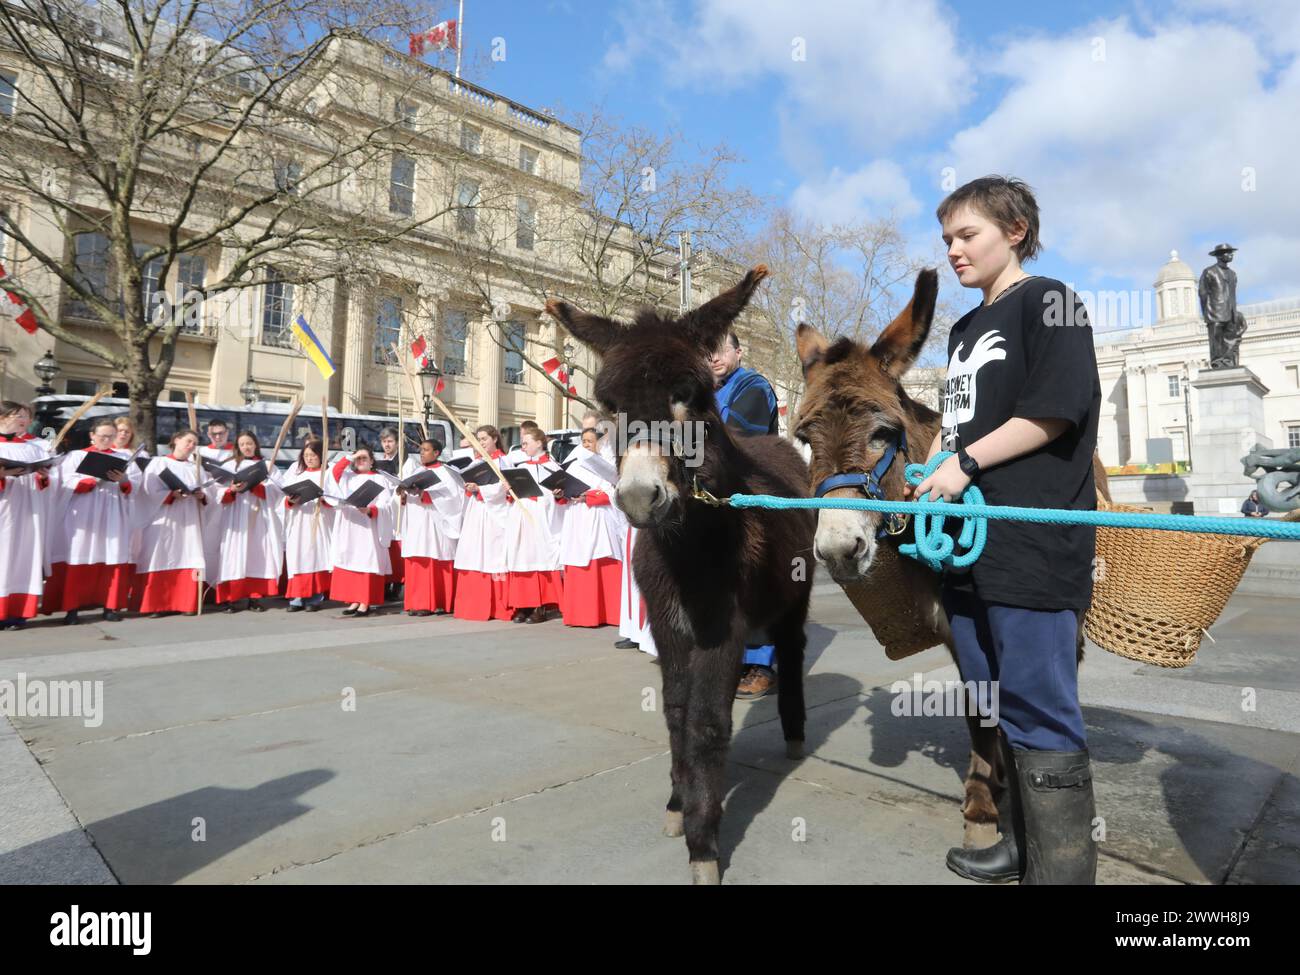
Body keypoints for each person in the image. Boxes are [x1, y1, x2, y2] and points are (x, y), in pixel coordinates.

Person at [919, 175, 1102, 886]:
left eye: (967, 235)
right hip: (967, 550)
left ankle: (1063, 872)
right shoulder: (964, 327)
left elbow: (1055, 412)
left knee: (1038, 706)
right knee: (990, 697)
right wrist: (941, 462)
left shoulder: (1050, 301)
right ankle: (1020, 848)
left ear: (1015, 229)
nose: (953, 251)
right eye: (947, 241)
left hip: (1031, 540)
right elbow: (967, 426)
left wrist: (962, 462)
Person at [710, 328, 781, 699]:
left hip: (753, 501)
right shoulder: (709, 392)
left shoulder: (753, 387)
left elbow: (734, 441)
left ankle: (760, 664)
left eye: (721, 349)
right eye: (707, 353)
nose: (714, 357)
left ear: (739, 351)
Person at [44, 417, 138, 623]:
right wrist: (90, 479)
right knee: (79, 557)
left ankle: (110, 607)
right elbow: (63, 482)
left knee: (111, 557)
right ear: (92, 436)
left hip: (113, 512)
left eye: (111, 436)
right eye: (102, 436)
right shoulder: (76, 456)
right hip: (83, 514)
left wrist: (123, 480)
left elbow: (136, 487)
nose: (106, 440)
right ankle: (72, 609)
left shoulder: (124, 457)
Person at [130, 429, 207, 616]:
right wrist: (170, 494)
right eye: (188, 441)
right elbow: (147, 490)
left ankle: (186, 603)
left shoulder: (196, 468)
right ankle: (158, 604)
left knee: (188, 555)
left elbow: (207, 491)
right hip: (163, 517)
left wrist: (201, 495)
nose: (191, 446)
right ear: (176, 439)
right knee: (161, 555)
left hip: (189, 519)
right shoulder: (159, 463)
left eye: (194, 444)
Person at [208, 429, 283, 612]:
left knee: (257, 555)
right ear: (237, 447)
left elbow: (279, 490)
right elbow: (216, 489)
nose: (246, 447)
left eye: (249, 443)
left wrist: (259, 488)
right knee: (234, 554)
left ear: (255, 444)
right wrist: (231, 490)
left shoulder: (268, 465)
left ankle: (254, 598)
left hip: (259, 516)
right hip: (236, 515)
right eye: (242, 444)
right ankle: (231, 598)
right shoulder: (230, 465)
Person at [559, 428, 626, 627]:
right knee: (578, 561)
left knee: (601, 560)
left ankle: (608, 614)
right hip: (577, 520)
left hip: (599, 519)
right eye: (584, 441)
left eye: (590, 441)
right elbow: (564, 492)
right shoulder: (573, 466)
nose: (587, 444)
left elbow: (614, 493)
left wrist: (588, 496)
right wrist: (559, 493)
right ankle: (580, 615)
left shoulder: (606, 466)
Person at [452, 425, 514, 621]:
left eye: (484, 438)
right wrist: (469, 486)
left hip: (494, 513)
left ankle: (498, 606)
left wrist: (481, 488)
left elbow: (505, 486)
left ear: (495, 438)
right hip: (476, 511)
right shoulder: (474, 462)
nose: (481, 443)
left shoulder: (504, 460)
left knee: (493, 554)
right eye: (478, 439)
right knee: (473, 552)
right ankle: (472, 605)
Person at [0, 401, 53, 629]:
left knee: (22, 558)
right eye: (16, 415)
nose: (22, 419)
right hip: (4, 507)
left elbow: (47, 482)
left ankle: (17, 613)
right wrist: (5, 474)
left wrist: (42, 475)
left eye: (24, 416)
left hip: (27, 509)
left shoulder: (35, 448)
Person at [504, 427, 564, 624]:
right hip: (521, 515)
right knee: (521, 557)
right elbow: (510, 495)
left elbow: (557, 493)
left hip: (541, 517)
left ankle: (542, 604)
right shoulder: (520, 467)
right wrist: (509, 489)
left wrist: (549, 495)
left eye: (526, 442)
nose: (523, 446)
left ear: (539, 443)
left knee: (539, 557)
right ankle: (523, 604)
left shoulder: (553, 467)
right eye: (522, 443)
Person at [399, 438, 464, 616]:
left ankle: (436, 603)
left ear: (436, 453)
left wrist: (430, 496)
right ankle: (416, 602)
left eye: (426, 450)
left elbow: (454, 498)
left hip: (436, 525)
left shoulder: (446, 472)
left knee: (434, 560)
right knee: (417, 559)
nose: (421, 453)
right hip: (417, 524)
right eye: (420, 449)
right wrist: (403, 495)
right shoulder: (417, 471)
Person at [328, 444, 393, 617]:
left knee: (366, 561)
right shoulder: (347, 476)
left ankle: (365, 602)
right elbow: (332, 476)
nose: (361, 461)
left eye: (365, 458)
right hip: (349, 525)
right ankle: (353, 600)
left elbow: (386, 503)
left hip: (367, 526)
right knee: (349, 559)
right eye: (359, 458)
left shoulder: (379, 479)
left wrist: (372, 510)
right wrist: (349, 457)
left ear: (372, 461)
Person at [278, 439, 334, 612]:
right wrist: (289, 501)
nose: (309, 458)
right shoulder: (297, 475)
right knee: (298, 557)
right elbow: (283, 500)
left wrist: (325, 499)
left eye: (313, 455)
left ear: (321, 456)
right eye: (306, 455)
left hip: (318, 520)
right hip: (299, 521)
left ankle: (315, 597)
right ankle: (297, 597)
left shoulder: (327, 475)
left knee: (315, 557)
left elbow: (335, 499)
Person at [378, 426, 405, 601]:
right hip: (384, 506)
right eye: (384, 442)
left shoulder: (405, 461)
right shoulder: (380, 460)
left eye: (390, 441)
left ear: (397, 443)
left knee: (397, 546)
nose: (386, 445)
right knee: (384, 544)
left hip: (397, 506)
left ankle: (396, 584)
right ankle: (385, 582)